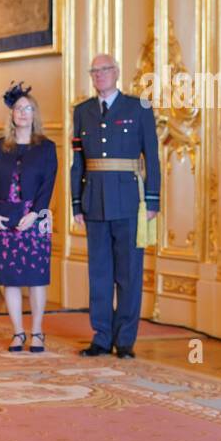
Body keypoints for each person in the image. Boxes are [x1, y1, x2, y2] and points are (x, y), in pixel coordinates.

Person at [69, 53, 160, 359]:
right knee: (99, 274)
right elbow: (78, 162)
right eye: (94, 71)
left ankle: (125, 340)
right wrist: (76, 204)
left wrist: (152, 200)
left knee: (129, 273)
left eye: (105, 70)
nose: (99, 75)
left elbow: (153, 158)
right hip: (94, 202)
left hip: (130, 202)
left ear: (117, 72)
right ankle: (101, 336)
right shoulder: (81, 111)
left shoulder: (139, 107)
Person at [0, 82, 56, 352]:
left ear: (35, 114)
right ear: (11, 114)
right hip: (4, 219)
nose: (23, 113)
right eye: (18, 109)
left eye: (28, 108)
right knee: (10, 279)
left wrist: (35, 214)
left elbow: (48, 185)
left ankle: (37, 332)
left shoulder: (46, 147)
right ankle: (17, 333)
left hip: (35, 221)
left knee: (36, 277)